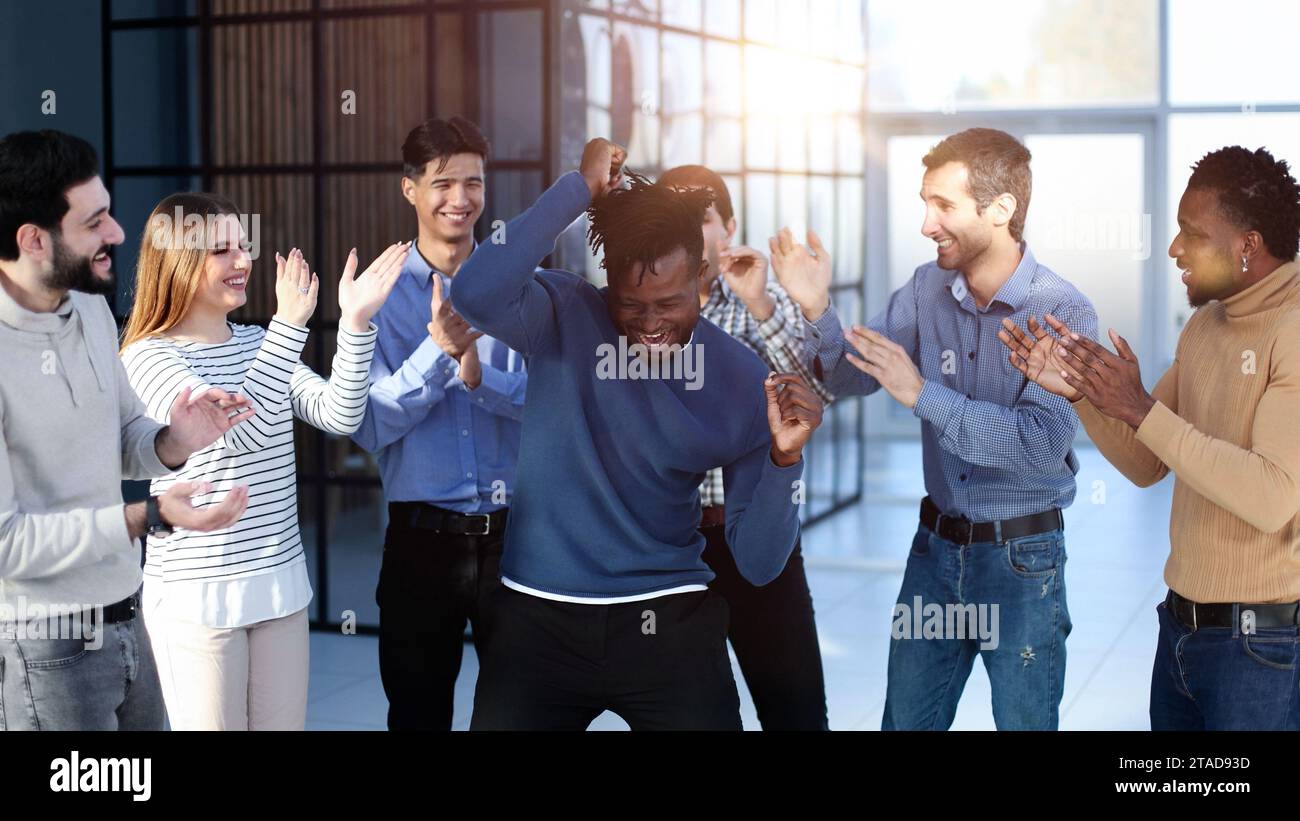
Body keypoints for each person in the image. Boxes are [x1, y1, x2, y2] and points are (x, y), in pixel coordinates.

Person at [451, 138, 823, 730]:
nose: (650, 326)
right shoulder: (564, 313)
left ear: (700, 273)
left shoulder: (740, 379)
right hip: (536, 619)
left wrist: (784, 461)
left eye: (670, 303)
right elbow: (473, 291)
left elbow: (756, 564)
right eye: (632, 305)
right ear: (608, 280)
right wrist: (579, 189)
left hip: (669, 620)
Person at [773, 128, 1097, 730]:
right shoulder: (925, 290)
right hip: (935, 554)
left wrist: (922, 394)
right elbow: (850, 377)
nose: (926, 224)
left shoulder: (1063, 311)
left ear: (1000, 210)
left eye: (943, 205)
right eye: (926, 203)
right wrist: (817, 309)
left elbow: (1038, 446)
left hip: (1023, 563)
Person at [1000, 145, 1300, 730]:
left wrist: (1142, 408)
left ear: (1248, 245)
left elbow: (1274, 495)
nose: (1174, 249)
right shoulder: (1208, 323)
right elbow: (1146, 462)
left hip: (1261, 650)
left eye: (1192, 233)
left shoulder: (1292, 329)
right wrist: (1084, 392)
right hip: (1182, 633)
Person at [119, 191, 406, 730]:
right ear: (178, 262)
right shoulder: (150, 357)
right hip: (196, 600)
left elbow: (338, 414)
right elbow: (237, 436)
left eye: (243, 246)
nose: (243, 261)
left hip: (279, 586)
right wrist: (289, 328)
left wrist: (355, 322)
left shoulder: (255, 342)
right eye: (221, 250)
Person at [0, 129, 252, 731]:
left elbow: (121, 440)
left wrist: (173, 440)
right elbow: (7, 544)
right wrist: (150, 516)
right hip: (44, 640)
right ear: (34, 239)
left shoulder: (87, 304)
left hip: (126, 615)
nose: (116, 234)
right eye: (95, 222)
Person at [351, 116, 527, 731]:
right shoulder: (374, 297)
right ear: (410, 190)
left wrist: (479, 375)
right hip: (420, 546)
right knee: (418, 716)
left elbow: (548, 403)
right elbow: (368, 425)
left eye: (473, 183)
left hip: (517, 543)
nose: (461, 199)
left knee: (522, 714)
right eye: (443, 183)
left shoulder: (518, 288)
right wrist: (436, 354)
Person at [656, 164, 830, 730]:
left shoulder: (761, 301)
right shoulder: (641, 310)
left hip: (755, 534)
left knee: (796, 713)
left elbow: (815, 396)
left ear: (727, 228)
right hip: (671, 549)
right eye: (670, 218)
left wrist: (759, 304)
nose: (684, 231)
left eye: (700, 219)